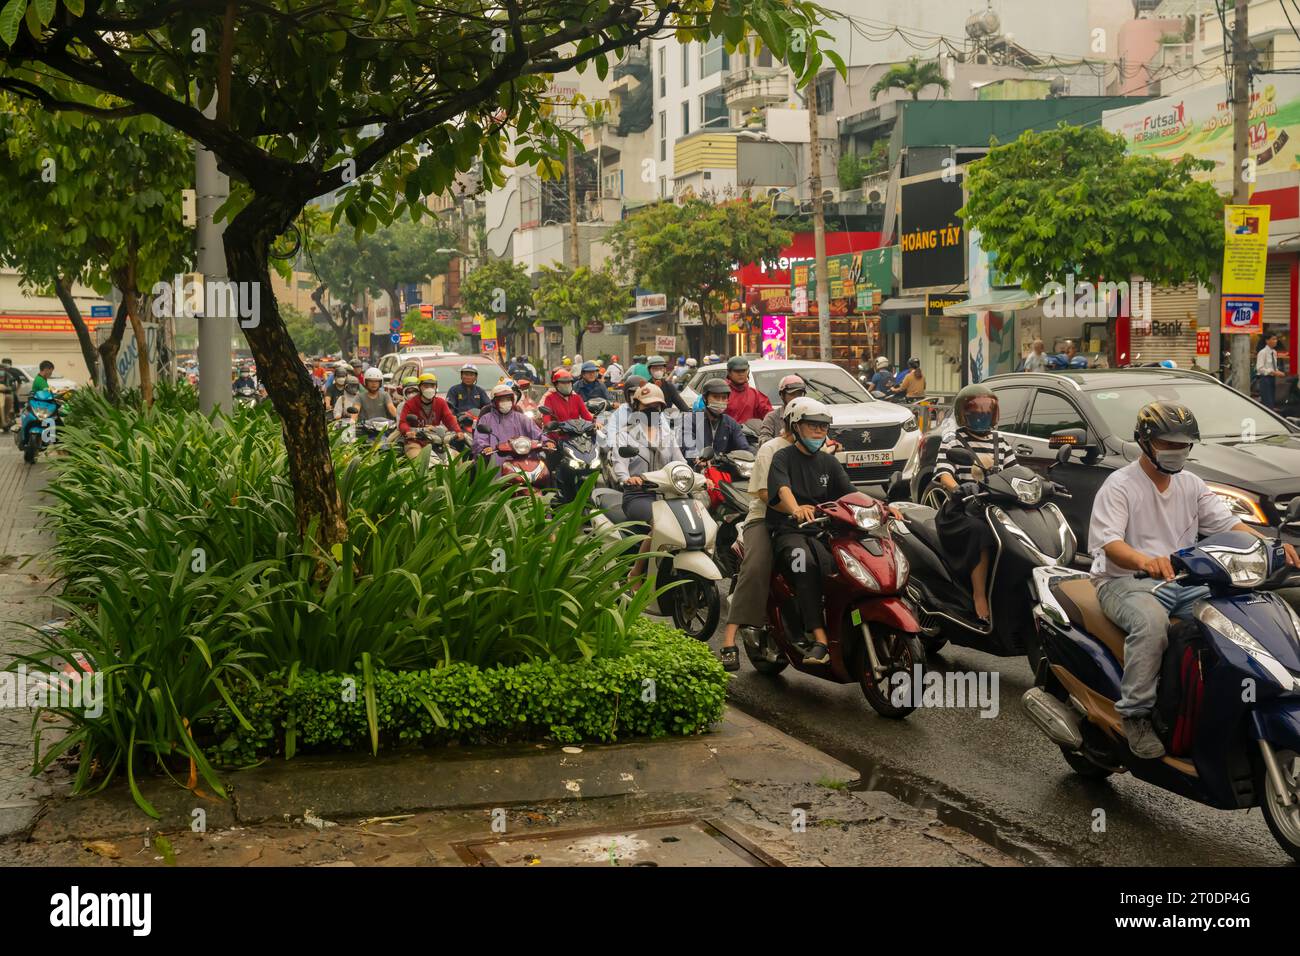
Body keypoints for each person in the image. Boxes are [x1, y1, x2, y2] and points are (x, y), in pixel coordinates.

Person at [1088, 402, 1300, 758]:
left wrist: (1269, 545)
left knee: (1238, 618)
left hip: (1182, 583)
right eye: (1168, 444)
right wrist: (1146, 561)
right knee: (1152, 625)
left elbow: (1229, 524)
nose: (1176, 451)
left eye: (1183, 445)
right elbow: (1110, 545)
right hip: (1126, 582)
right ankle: (1135, 715)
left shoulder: (1191, 484)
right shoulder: (1120, 485)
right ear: (1145, 442)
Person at [766, 399, 856, 665]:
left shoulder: (828, 462)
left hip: (823, 531)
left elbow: (851, 492)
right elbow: (782, 489)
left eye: (823, 427)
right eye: (812, 426)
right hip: (788, 532)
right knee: (802, 562)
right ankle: (819, 638)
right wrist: (795, 509)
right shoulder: (782, 457)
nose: (818, 432)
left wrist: (883, 507)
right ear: (796, 427)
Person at [933, 384, 1018, 623]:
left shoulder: (1000, 440)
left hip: (995, 507)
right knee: (981, 533)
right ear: (963, 413)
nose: (982, 414)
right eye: (975, 409)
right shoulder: (952, 440)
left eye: (986, 409)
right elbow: (943, 473)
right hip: (963, 509)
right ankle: (979, 595)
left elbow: (1015, 471)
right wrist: (957, 488)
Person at [610, 383, 689, 581]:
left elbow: (680, 462)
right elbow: (619, 463)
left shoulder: (667, 434)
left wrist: (696, 477)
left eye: (657, 407)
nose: (652, 410)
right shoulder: (625, 434)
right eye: (647, 407)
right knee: (660, 525)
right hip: (639, 495)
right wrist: (627, 479)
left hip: (669, 494)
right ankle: (635, 572)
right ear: (636, 407)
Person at [472, 381, 546, 466]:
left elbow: (536, 432)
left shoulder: (521, 418)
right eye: (502, 400)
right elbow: (480, 438)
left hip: (522, 460)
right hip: (495, 461)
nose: (506, 402)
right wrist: (485, 447)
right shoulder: (486, 418)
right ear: (494, 402)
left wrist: (547, 441)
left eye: (508, 399)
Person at [682, 379, 751, 461]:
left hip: (724, 470)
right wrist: (697, 458)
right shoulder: (691, 420)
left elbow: (744, 448)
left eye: (724, 398)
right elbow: (687, 447)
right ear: (705, 398)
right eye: (715, 397)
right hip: (696, 470)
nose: (720, 401)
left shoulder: (731, 423)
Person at [398, 373, 462, 459]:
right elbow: (403, 422)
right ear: (420, 387)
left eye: (432, 385)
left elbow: (449, 418)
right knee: (416, 458)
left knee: (457, 457)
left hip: (437, 440)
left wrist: (458, 431)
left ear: (436, 387)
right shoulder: (410, 404)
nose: (429, 388)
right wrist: (408, 431)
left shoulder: (441, 402)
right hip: (416, 441)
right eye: (426, 385)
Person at [723, 356, 773, 425]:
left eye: (743, 370)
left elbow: (770, 417)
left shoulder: (756, 395)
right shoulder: (721, 393)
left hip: (750, 434)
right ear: (729, 372)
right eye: (737, 371)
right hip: (725, 434)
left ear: (747, 371)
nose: (740, 374)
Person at [758, 375, 806, 442]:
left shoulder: (809, 414)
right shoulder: (772, 417)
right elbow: (763, 440)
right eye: (792, 394)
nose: (796, 397)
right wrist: (782, 440)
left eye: (799, 394)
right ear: (782, 395)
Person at [1257, 332, 1284, 410]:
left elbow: (1274, 367)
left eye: (1276, 339)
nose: (1276, 341)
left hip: (1272, 379)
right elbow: (1260, 368)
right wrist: (1273, 372)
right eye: (1273, 339)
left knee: (1272, 401)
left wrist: (1278, 372)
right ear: (1267, 341)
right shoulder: (1262, 352)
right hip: (1265, 379)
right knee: (1267, 402)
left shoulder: (1274, 352)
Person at [0, 358, 17, 429]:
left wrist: (6, 388)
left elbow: (13, 387)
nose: (1, 370)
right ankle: (3, 422)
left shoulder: (9, 376)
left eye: (2, 369)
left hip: (6, 394)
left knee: (10, 398)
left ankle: (7, 419)